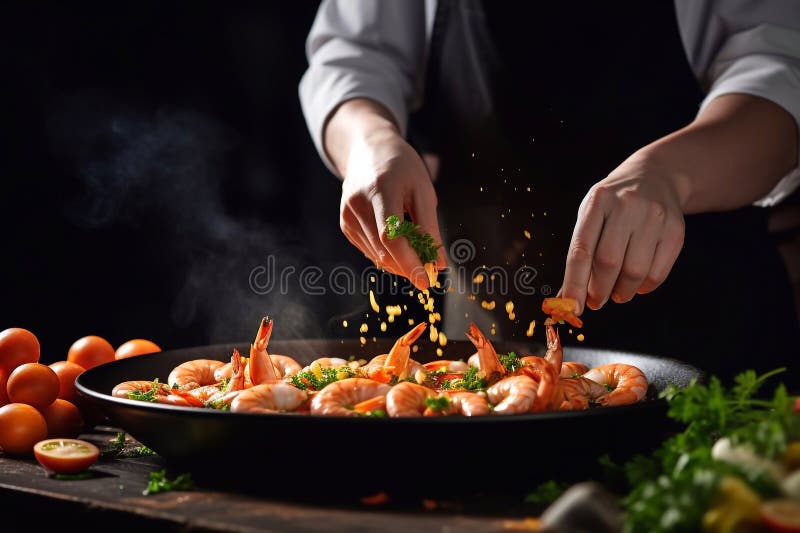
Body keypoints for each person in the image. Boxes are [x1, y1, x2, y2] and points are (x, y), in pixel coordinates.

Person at [298, 0, 800, 382]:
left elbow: (781, 65)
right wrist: (369, 143)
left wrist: (670, 174)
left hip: (712, 332)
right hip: (484, 315)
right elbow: (354, 54)